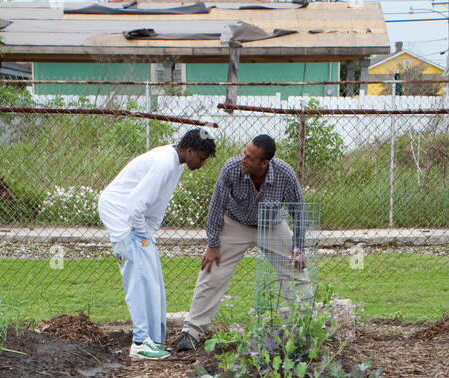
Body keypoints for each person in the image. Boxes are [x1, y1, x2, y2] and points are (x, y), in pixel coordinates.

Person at [176, 134, 311, 352]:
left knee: (297, 271)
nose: (243, 159)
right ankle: (191, 332)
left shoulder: (284, 174)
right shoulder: (231, 169)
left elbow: (298, 211)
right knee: (211, 272)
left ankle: (304, 330)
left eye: (249, 157)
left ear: (264, 163)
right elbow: (216, 207)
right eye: (243, 153)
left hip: (271, 225)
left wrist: (299, 249)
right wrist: (212, 245)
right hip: (235, 223)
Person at [98, 128, 216, 361]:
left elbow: (157, 204)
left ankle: (151, 339)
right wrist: (141, 234)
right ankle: (140, 342)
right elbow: (135, 205)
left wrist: (148, 235)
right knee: (137, 280)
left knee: (151, 279)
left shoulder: (175, 163)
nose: (201, 164)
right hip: (122, 218)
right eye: (201, 158)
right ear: (190, 150)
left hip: (133, 221)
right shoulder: (164, 163)